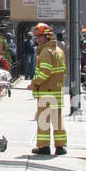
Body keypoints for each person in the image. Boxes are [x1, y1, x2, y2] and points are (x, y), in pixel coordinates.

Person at [30, 22, 67, 156]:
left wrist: (34, 83)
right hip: (57, 90)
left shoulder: (46, 52)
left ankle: (44, 147)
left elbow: (45, 72)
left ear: (48, 37)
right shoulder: (59, 51)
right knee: (57, 120)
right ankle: (60, 147)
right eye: (37, 37)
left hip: (46, 91)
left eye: (41, 37)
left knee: (43, 120)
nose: (38, 39)